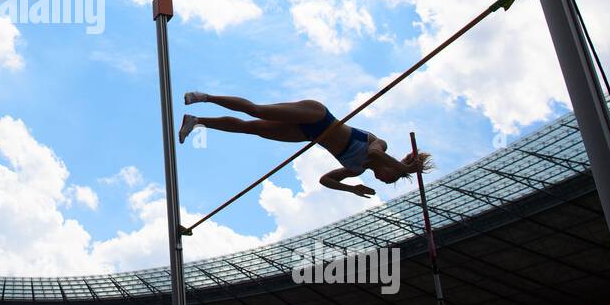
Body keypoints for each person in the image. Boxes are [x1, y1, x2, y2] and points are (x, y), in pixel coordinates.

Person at [178, 94, 431, 197]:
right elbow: (375, 153)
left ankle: (197, 121)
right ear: (395, 167)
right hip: (318, 116)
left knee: (250, 128)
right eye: (390, 178)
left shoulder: (356, 170)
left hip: (307, 134)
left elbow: (326, 180)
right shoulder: (380, 145)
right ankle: (205, 97)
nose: (384, 180)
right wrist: (405, 168)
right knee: (259, 111)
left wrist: (352, 189)